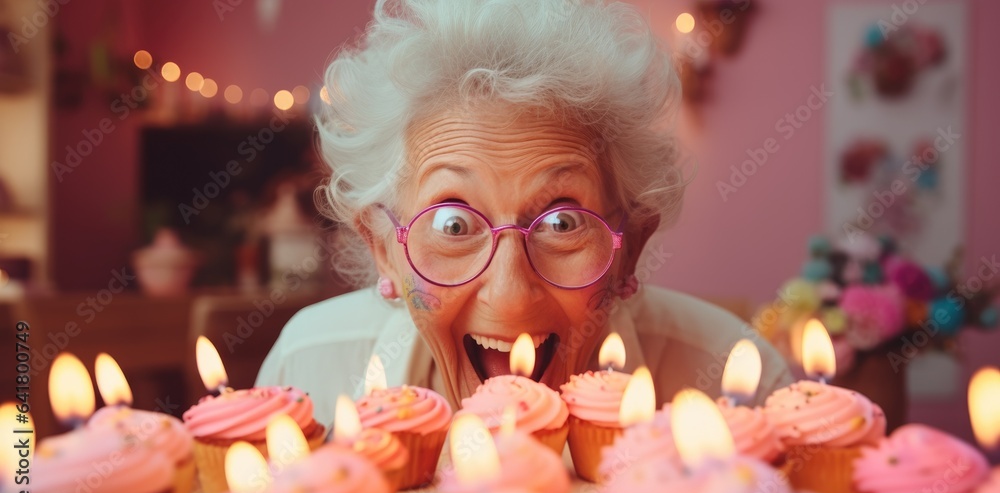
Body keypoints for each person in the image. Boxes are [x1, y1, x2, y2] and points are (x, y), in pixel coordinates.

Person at [257, 0, 792, 425]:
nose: (510, 296)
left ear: (630, 247)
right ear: (383, 250)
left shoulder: (736, 382)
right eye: (453, 225)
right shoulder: (310, 371)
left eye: (562, 223)